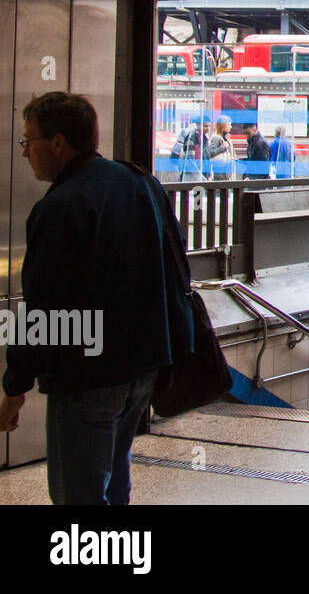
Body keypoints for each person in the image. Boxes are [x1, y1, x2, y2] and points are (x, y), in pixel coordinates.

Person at [0, 92, 190, 504]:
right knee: (113, 481)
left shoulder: (61, 206)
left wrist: (16, 384)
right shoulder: (140, 182)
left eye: (28, 141)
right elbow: (176, 265)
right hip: (142, 368)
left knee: (78, 494)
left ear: (57, 143)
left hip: (87, 376)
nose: (25, 152)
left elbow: (42, 307)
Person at [207, 115, 234, 180]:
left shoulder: (226, 137)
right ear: (222, 125)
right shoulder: (217, 137)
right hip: (220, 172)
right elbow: (210, 152)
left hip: (225, 171)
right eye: (228, 125)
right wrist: (223, 147)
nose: (231, 127)